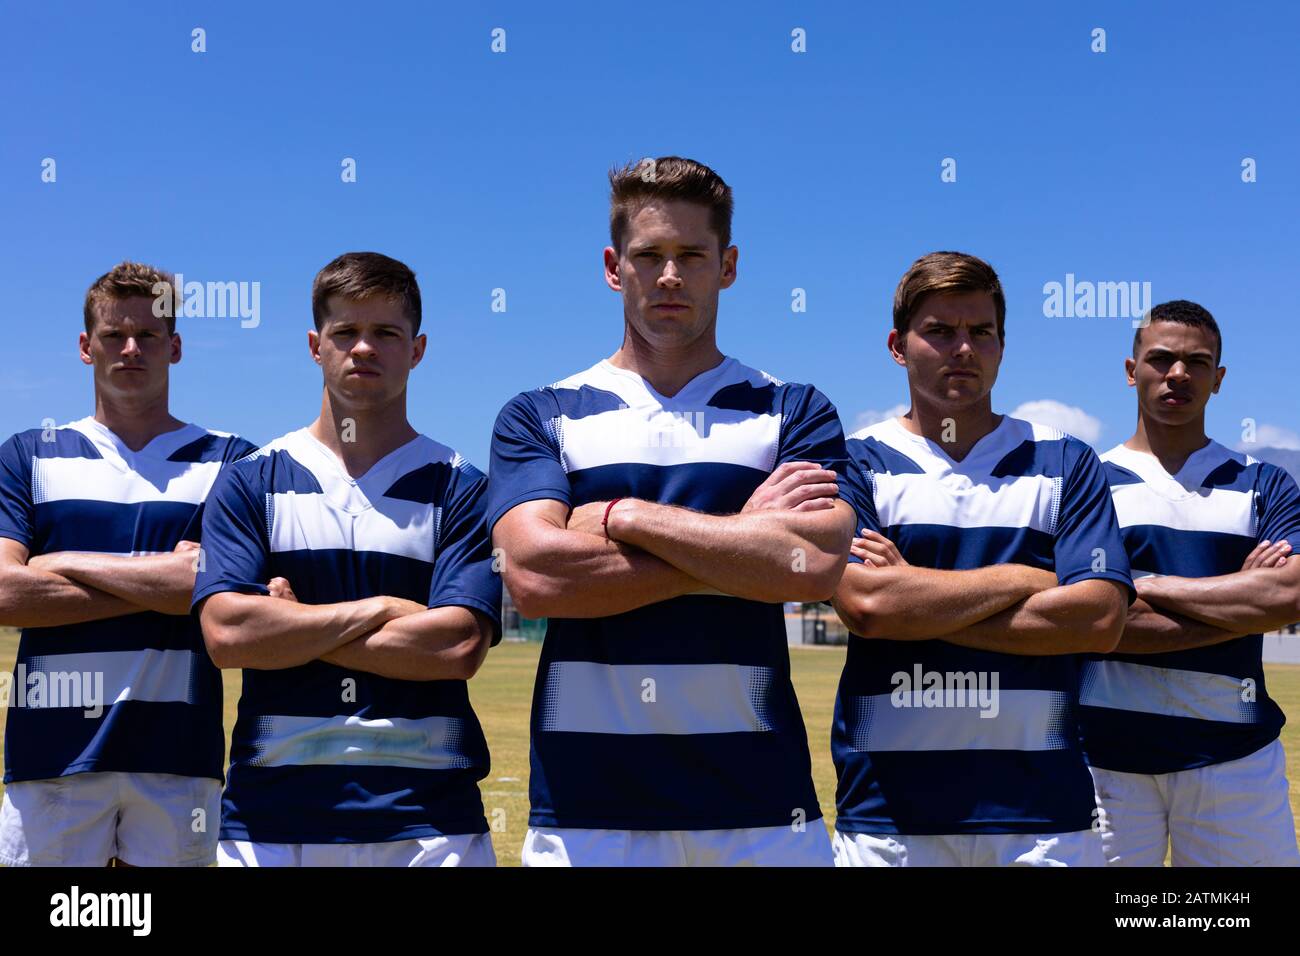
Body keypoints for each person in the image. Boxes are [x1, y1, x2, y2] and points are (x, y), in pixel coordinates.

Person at [488, 156, 854, 866]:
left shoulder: (792, 410)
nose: (669, 276)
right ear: (611, 267)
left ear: (729, 266)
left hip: (764, 812)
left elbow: (815, 565)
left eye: (691, 254)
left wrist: (623, 516)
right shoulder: (542, 413)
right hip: (587, 815)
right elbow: (535, 577)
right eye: (649, 255)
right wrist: (743, 546)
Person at [192, 252, 501, 866]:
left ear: (417, 349)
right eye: (345, 333)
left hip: (432, 826)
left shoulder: (462, 486)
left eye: (386, 332)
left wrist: (294, 623)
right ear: (315, 345)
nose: (364, 348)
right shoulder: (251, 481)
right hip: (271, 822)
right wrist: (385, 609)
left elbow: (457, 648)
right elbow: (228, 635)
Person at [830, 251, 1133, 866]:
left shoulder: (1065, 461)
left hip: (1046, 820)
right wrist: (1027, 578)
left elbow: (1099, 619)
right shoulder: (855, 462)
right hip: (890, 819)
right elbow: (870, 606)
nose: (962, 348)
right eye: (940, 331)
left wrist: (918, 595)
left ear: (1001, 345)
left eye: (980, 332)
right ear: (898, 345)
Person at [0, 261, 257, 866]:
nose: (131, 349)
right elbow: (6, 595)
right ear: (87, 348)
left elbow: (225, 592)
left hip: (179, 756)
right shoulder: (28, 454)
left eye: (148, 335)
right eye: (114, 336)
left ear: (176, 346)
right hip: (51, 758)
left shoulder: (229, 462)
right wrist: (166, 580)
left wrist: (60, 562)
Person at [1080, 299, 1300, 866]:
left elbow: (1288, 595)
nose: (1178, 374)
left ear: (1218, 379)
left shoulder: (1264, 484)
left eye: (1197, 363)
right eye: (1161, 359)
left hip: (1237, 758)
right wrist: (1239, 601)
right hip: (1105, 762)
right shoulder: (1085, 482)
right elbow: (1096, 620)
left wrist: (1144, 585)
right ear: (1132, 371)